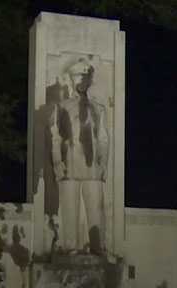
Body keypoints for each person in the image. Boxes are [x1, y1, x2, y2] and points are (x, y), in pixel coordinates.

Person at [48, 57, 110, 255]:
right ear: (72, 80)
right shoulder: (61, 107)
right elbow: (55, 137)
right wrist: (57, 161)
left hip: (92, 166)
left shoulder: (98, 109)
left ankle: (97, 246)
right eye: (79, 78)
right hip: (69, 163)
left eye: (85, 78)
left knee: (95, 209)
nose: (82, 82)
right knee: (69, 208)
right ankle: (70, 247)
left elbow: (103, 139)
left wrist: (103, 165)